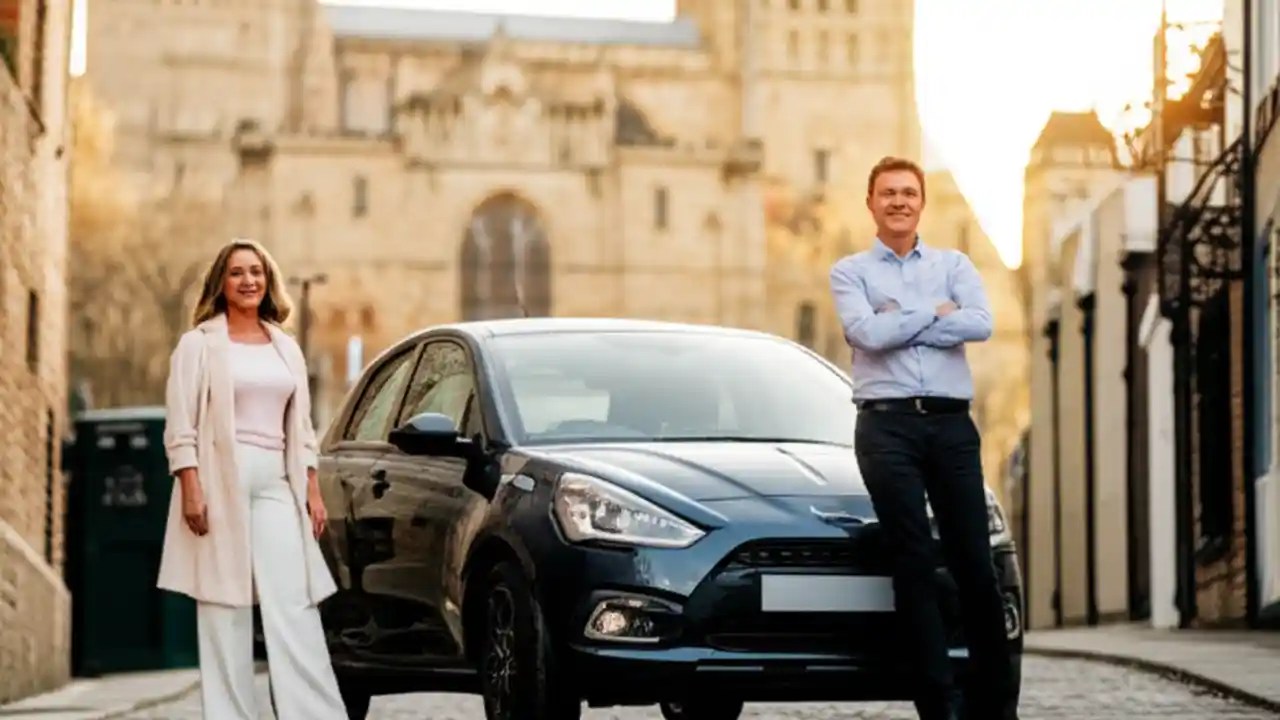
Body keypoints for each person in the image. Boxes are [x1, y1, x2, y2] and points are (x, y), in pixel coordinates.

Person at [828, 157, 1018, 720]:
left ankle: (994, 703)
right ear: (871, 203)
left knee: (973, 561)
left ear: (922, 202)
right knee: (911, 560)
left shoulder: (954, 263)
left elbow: (980, 322)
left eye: (909, 193)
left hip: (951, 424)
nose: (899, 202)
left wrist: (899, 317)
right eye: (888, 193)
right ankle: (937, 703)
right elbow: (863, 332)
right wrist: (932, 314)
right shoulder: (850, 271)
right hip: (886, 427)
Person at [156, 238, 348, 719]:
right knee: (224, 607)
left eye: (257, 272)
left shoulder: (285, 347)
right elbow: (179, 424)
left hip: (275, 483)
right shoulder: (198, 344)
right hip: (219, 481)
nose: (249, 281)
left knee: (295, 604)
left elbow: (301, 428)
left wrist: (310, 489)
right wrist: (191, 487)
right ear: (221, 283)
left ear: (268, 280)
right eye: (238, 273)